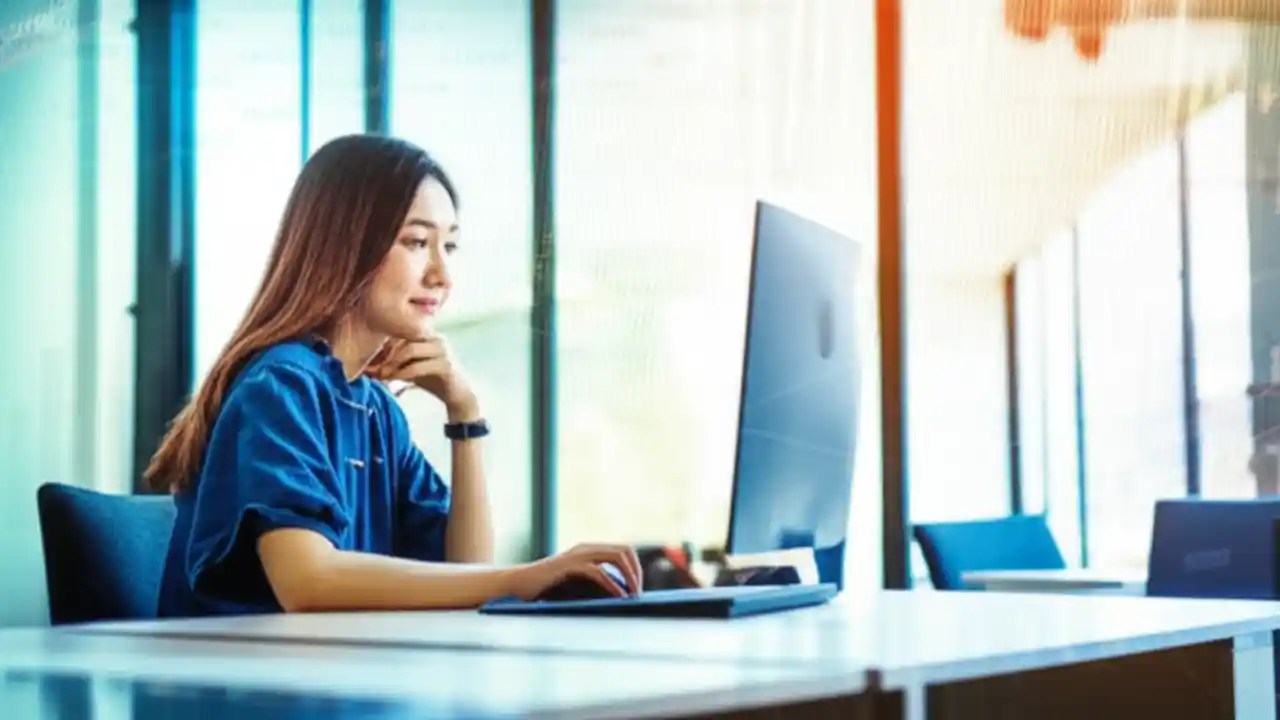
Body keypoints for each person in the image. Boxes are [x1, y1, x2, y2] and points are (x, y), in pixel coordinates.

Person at [150, 134, 641, 617]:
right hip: (244, 688)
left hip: (326, 679)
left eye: (449, 246)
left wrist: (465, 416)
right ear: (345, 246)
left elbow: (466, 569)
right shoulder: (283, 385)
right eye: (416, 242)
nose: (441, 275)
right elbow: (307, 580)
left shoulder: (373, 407)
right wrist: (524, 577)